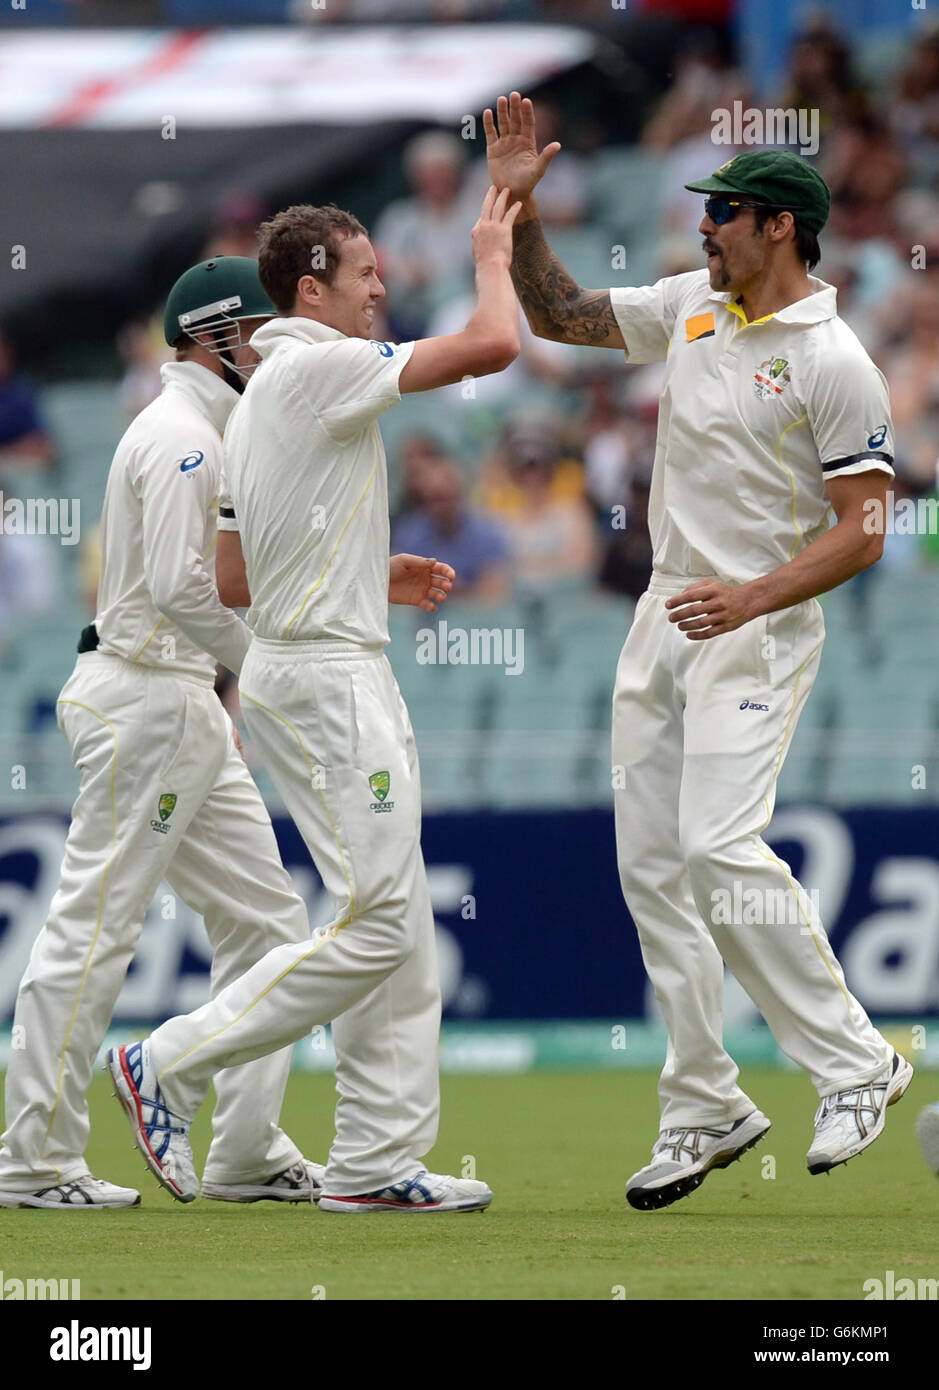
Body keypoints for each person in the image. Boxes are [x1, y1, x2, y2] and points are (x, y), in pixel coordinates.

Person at [483, 92, 911, 1210]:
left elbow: (866, 529)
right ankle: (704, 1101)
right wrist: (522, 210)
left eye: (721, 214)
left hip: (756, 624)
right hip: (664, 614)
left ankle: (858, 1062)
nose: (703, 229)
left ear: (777, 226)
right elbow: (561, 315)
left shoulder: (836, 358)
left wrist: (752, 595)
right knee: (653, 871)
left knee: (721, 847)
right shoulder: (691, 306)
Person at [107, 186, 521, 1214]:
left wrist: (368, 570)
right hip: (329, 679)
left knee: (397, 922)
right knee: (381, 924)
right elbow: (493, 346)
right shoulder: (318, 365)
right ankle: (169, 1061)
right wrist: (495, 247)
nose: (382, 285)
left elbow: (240, 576)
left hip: (313, 663)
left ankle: (377, 1163)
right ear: (310, 289)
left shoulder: (263, 401)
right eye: (366, 271)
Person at [0, 257, 326, 1209]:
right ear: (215, 337)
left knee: (270, 925)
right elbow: (188, 590)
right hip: (144, 694)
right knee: (93, 932)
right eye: (259, 335)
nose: (272, 352)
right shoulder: (184, 436)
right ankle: (31, 1161)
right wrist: (267, 674)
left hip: (176, 697)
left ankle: (244, 1152)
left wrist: (227, 695)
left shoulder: (205, 426)